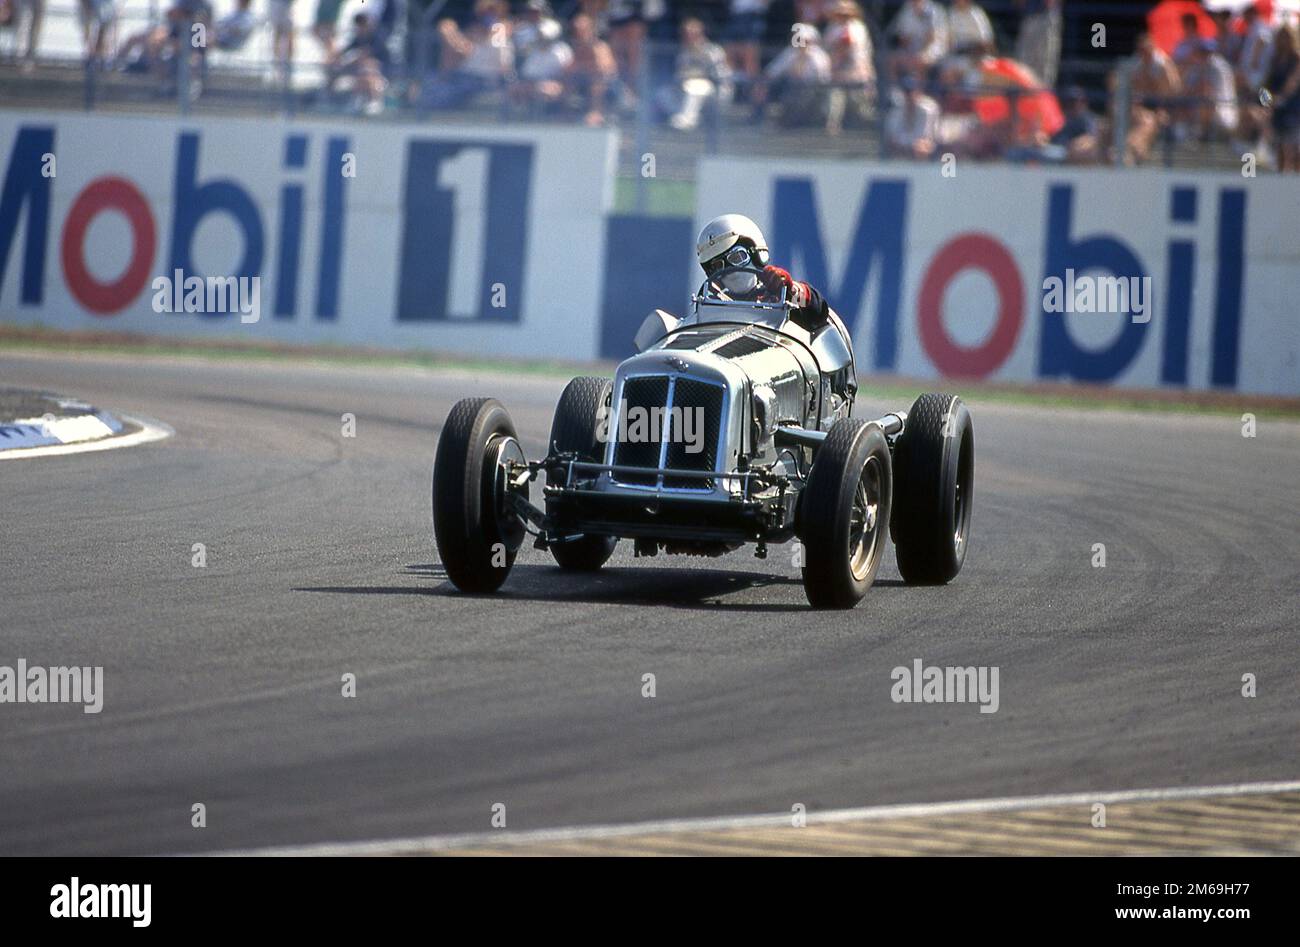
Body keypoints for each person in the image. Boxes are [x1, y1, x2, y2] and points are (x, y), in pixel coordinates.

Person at [694, 214, 834, 335]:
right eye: (719, 266)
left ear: (755, 252)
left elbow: (817, 315)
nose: (731, 271)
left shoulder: (778, 289)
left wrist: (790, 289)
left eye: (737, 258)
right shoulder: (710, 300)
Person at [754, 21, 832, 127]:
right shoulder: (790, 52)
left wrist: (803, 58)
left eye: (805, 40)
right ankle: (759, 120)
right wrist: (762, 85)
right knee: (765, 87)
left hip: (814, 91)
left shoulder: (819, 56)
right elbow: (772, 72)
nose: (802, 43)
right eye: (799, 40)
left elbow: (823, 78)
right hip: (790, 89)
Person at [660, 17, 731, 131]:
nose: (689, 37)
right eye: (686, 34)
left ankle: (688, 120)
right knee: (663, 94)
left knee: (696, 86)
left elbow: (721, 76)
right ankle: (686, 116)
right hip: (687, 91)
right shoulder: (683, 53)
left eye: (693, 34)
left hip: (716, 92)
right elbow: (679, 75)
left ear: (701, 34)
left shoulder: (713, 50)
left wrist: (699, 77)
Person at [565, 11, 618, 126]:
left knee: (597, 81)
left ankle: (596, 112)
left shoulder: (601, 47)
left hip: (608, 84)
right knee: (567, 82)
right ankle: (566, 114)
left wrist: (585, 65)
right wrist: (584, 66)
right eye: (576, 31)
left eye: (581, 31)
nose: (578, 35)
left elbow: (603, 68)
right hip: (583, 82)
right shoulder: (577, 48)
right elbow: (569, 68)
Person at [1264, 23, 1300, 172]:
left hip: (1293, 109)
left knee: (1291, 146)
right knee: (1279, 146)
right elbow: (1267, 84)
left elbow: (1292, 83)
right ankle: (1281, 176)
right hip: (1277, 110)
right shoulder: (1275, 60)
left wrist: (1278, 99)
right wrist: (1267, 102)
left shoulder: (1296, 59)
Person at [884, 74, 940, 159]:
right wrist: (906, 145)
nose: (909, 96)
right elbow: (893, 136)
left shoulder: (928, 109)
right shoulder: (896, 109)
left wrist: (911, 144)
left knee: (922, 147)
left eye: (912, 91)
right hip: (903, 146)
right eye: (906, 92)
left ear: (918, 91)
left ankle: (924, 171)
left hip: (924, 146)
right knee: (893, 147)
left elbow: (926, 136)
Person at [725, 0, 770, 102]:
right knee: (730, 53)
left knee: (750, 55)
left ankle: (753, 94)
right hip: (735, 15)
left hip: (753, 15)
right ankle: (733, 90)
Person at [888, 0, 945, 80]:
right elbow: (902, 36)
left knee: (920, 59)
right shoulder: (907, 9)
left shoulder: (934, 10)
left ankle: (918, 90)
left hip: (934, 47)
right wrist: (906, 44)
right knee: (893, 59)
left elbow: (933, 38)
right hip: (912, 47)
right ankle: (895, 89)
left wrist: (920, 52)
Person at [1014, 0, 1060, 86]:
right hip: (1028, 18)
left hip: (1046, 16)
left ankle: (1043, 96)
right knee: (1024, 63)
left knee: (1044, 65)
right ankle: (1025, 94)